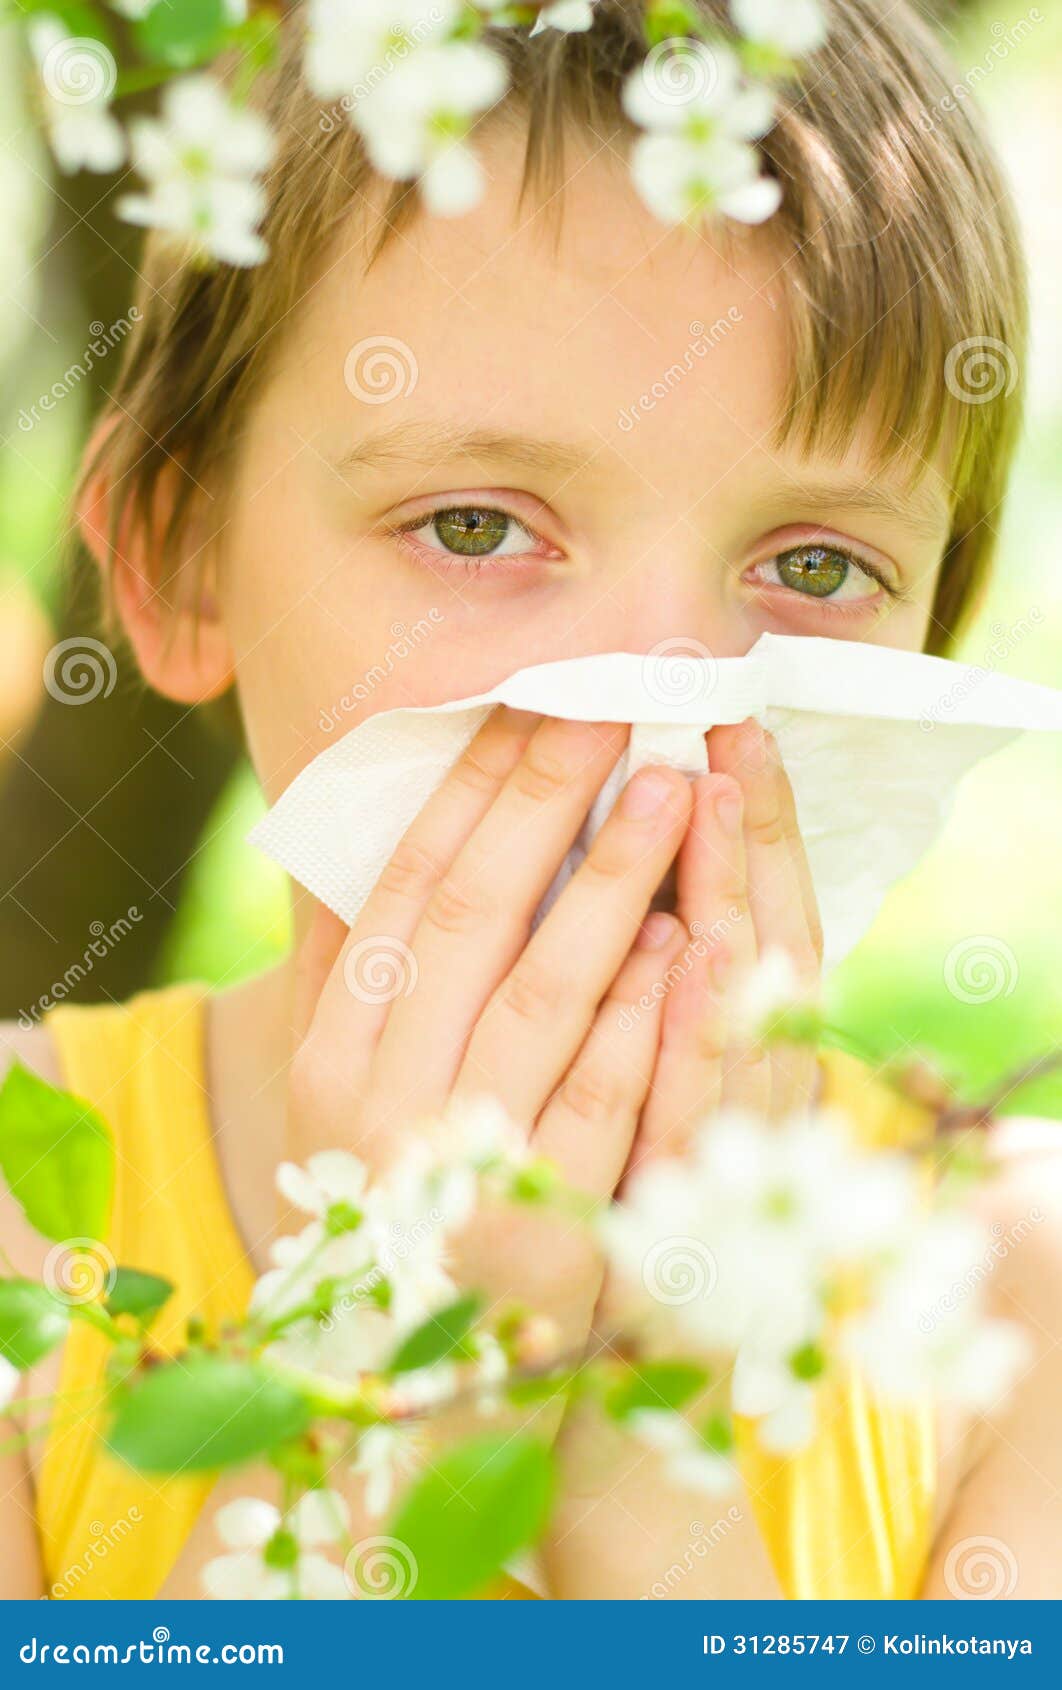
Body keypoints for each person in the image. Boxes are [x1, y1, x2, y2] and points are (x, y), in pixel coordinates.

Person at [3, 0, 1061, 1600]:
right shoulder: (25, 1228)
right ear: (174, 558)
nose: (653, 690)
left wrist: (653, 1449)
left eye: (815, 567)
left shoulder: (1011, 1311)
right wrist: (414, 1387)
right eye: (478, 529)